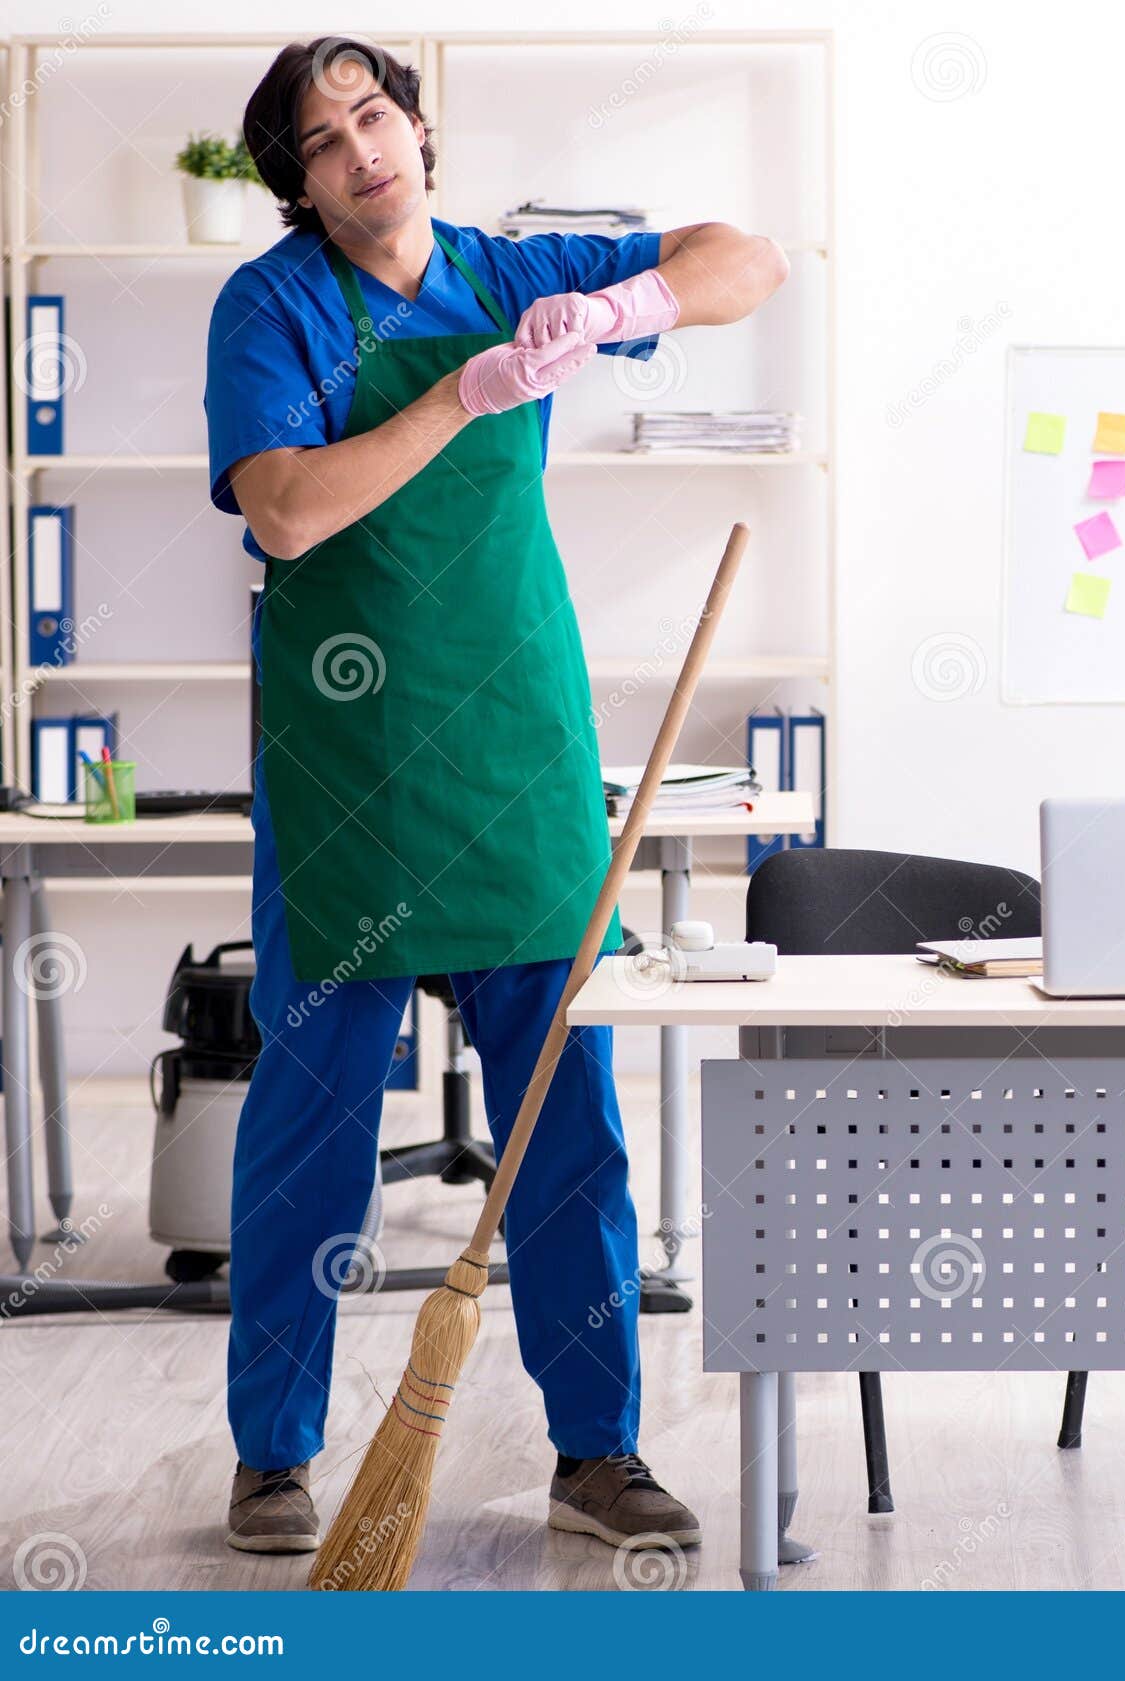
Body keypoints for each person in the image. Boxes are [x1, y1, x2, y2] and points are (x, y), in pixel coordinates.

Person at [203, 35, 787, 1558]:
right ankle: (273, 1455)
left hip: (517, 751)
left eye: (376, 116)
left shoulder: (510, 268)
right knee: (310, 1126)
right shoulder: (269, 308)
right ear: (300, 186)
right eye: (324, 142)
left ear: (420, 130)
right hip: (349, 778)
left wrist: (624, 303)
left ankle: (597, 1449)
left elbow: (751, 260)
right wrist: (463, 396)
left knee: (566, 1122)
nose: (361, 151)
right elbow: (285, 508)